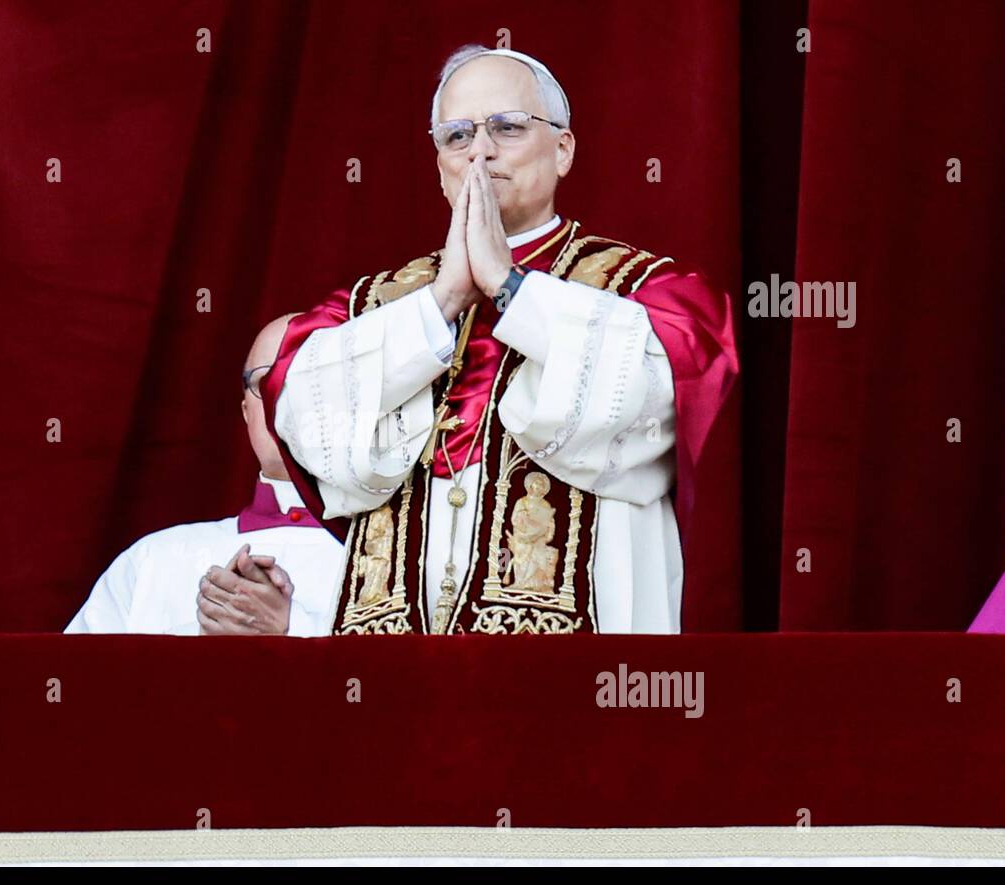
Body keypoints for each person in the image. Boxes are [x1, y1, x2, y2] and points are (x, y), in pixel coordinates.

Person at [261, 45, 739, 635]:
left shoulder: (643, 290)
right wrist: (443, 303)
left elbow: (662, 391)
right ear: (438, 163)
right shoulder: (372, 304)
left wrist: (508, 287)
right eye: (456, 136)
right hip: (388, 652)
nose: (479, 152)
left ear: (563, 149)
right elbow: (298, 406)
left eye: (507, 128)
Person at [66, 316, 344, 635]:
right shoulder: (151, 561)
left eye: (307, 381)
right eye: (265, 383)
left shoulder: (403, 568)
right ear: (245, 412)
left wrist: (293, 630)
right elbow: (79, 678)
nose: (282, 403)